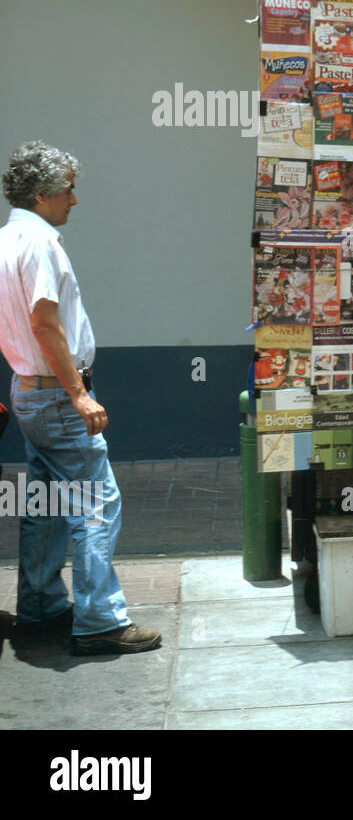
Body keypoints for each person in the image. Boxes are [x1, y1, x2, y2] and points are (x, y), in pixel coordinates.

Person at [0, 142, 162, 654]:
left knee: (46, 503)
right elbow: (44, 322)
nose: (75, 199)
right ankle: (99, 620)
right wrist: (79, 394)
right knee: (96, 504)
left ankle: (41, 606)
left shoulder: (6, 239)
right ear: (43, 193)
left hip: (28, 389)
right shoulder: (42, 243)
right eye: (69, 189)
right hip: (55, 394)